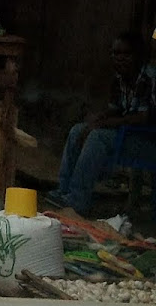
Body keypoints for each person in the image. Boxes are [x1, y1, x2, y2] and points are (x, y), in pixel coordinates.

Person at [47, 32, 156, 215]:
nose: (119, 59)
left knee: (98, 137)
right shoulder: (120, 79)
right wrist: (96, 119)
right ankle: (64, 190)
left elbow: (142, 118)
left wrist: (102, 125)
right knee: (77, 130)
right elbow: (115, 109)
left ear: (137, 56)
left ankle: (77, 200)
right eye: (115, 53)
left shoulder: (148, 79)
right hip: (126, 134)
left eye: (125, 54)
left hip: (146, 140)